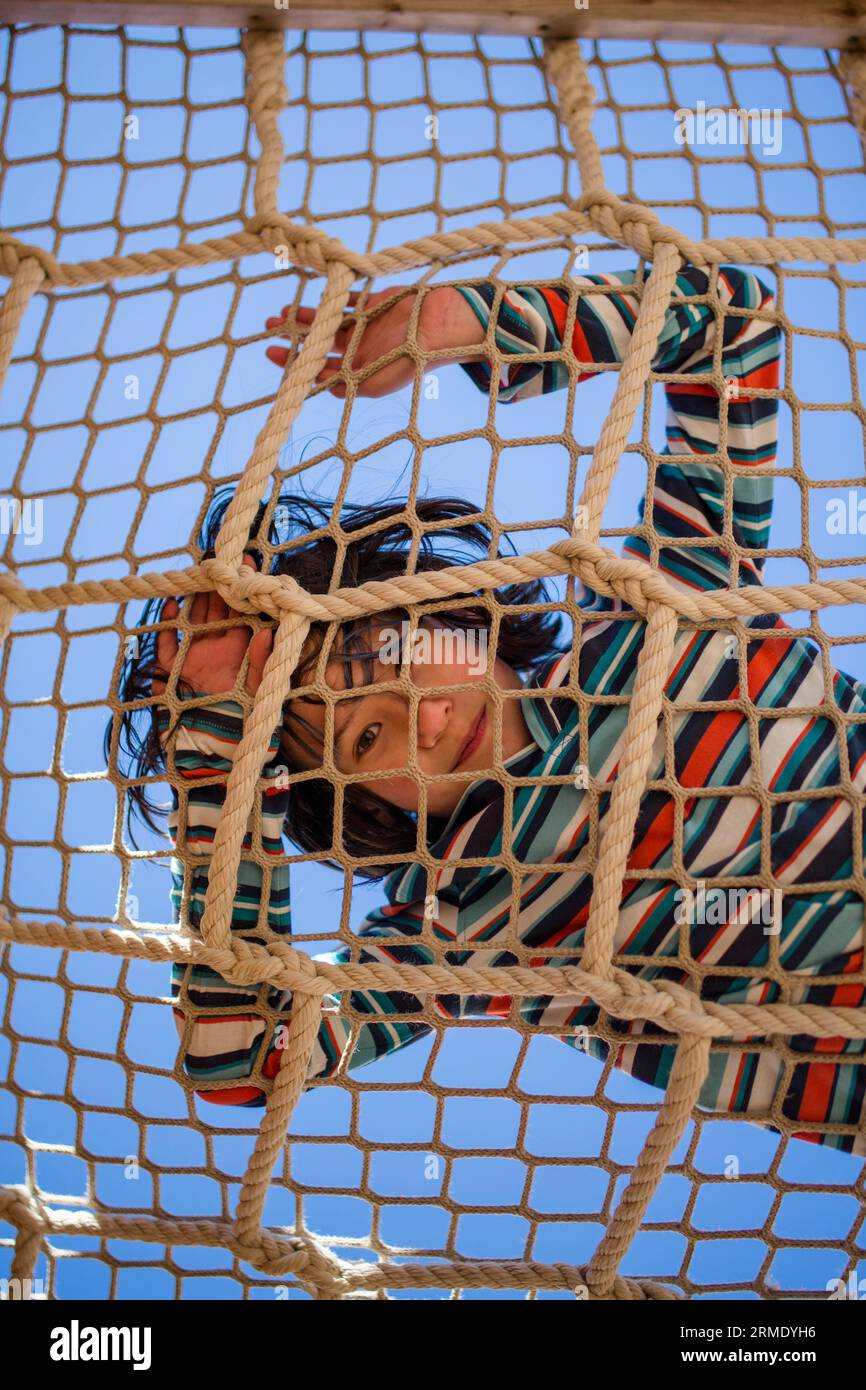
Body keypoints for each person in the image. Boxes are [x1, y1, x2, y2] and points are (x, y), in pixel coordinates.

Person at [115, 263, 866, 1156]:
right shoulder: (463, 922)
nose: (419, 720)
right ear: (367, 805)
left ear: (442, 610)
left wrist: (457, 324)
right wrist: (220, 750)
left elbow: (730, 326)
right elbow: (243, 1059)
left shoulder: (665, 604)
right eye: (365, 737)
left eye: (386, 655)